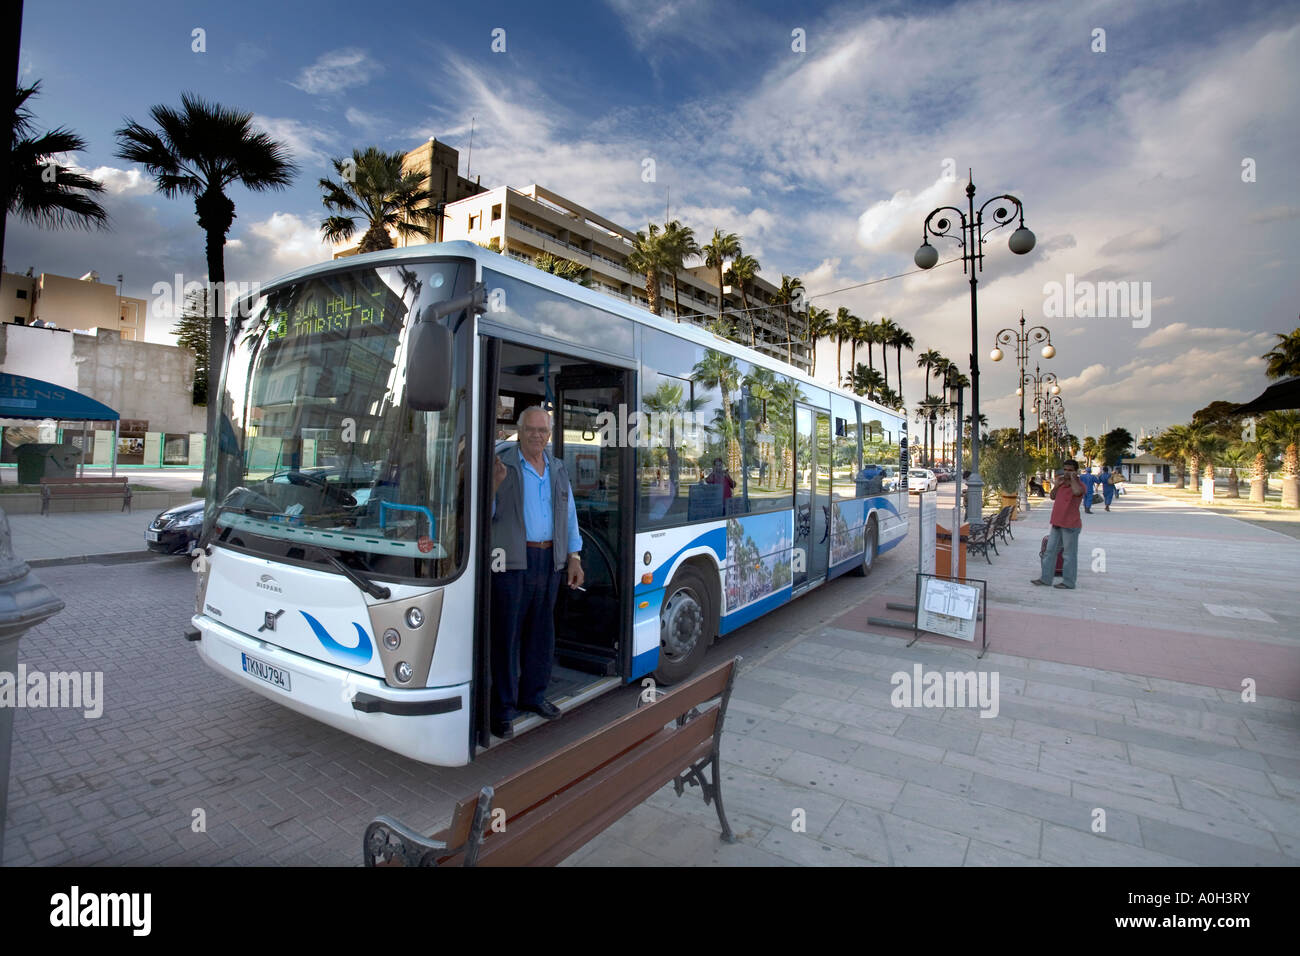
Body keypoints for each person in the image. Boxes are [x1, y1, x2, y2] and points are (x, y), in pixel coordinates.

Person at [490, 406, 584, 740]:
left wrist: (574, 557)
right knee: (507, 636)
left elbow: (568, 513)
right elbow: (482, 515)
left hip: (550, 559)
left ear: (550, 434)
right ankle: (501, 710)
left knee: (542, 633)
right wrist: (494, 486)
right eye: (530, 430)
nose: (537, 436)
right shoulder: (503, 465)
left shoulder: (557, 468)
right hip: (512, 560)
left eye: (543, 431)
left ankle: (533, 697)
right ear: (520, 431)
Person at [1031, 458, 1085, 590]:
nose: (1067, 473)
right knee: (1049, 552)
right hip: (1056, 523)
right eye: (1065, 470)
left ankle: (1069, 582)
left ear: (1076, 472)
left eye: (1070, 470)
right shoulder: (1061, 484)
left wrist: (1072, 479)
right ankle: (1046, 579)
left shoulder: (1079, 484)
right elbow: (1052, 496)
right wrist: (1056, 485)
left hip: (1071, 525)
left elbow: (1078, 492)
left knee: (1068, 555)